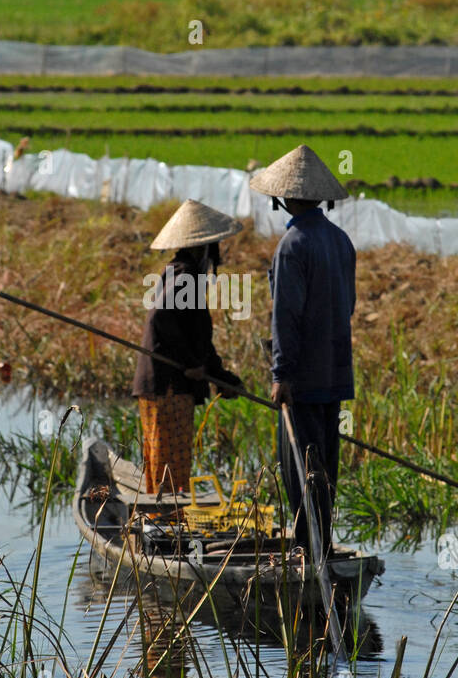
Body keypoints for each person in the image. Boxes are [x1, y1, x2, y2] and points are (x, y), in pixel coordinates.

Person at [249, 145, 355, 555]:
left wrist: (281, 375)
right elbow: (348, 307)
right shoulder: (341, 241)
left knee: (300, 469)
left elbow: (286, 318)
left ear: (285, 198)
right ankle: (321, 545)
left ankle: (309, 552)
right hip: (335, 376)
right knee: (325, 467)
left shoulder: (292, 245)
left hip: (303, 380)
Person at [132, 199, 243, 496]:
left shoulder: (178, 271)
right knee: (171, 470)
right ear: (204, 247)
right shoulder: (187, 275)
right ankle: (166, 530)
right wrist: (190, 362)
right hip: (169, 388)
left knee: (163, 467)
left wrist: (222, 378)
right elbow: (161, 318)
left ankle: (161, 526)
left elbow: (197, 338)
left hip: (162, 385)